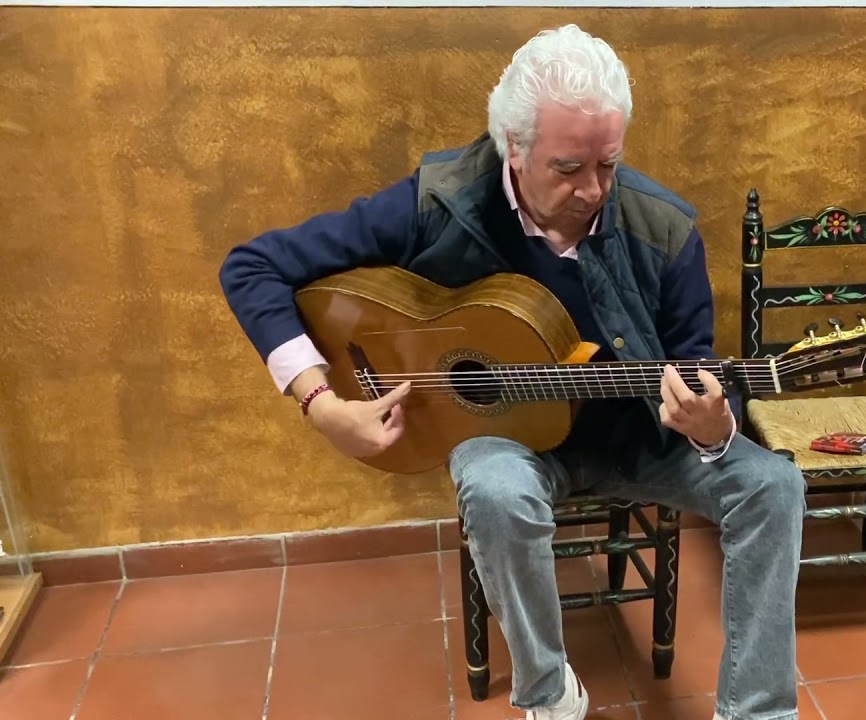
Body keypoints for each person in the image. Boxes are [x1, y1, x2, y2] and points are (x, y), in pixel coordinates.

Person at [219, 24, 806, 720]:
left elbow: (697, 366)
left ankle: (760, 713)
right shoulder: (439, 202)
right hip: (510, 441)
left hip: (641, 436)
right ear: (514, 148)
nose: (593, 190)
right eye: (568, 168)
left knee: (773, 485)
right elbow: (251, 266)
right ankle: (549, 695)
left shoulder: (664, 228)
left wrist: (713, 427)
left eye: (609, 165)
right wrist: (321, 403)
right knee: (494, 489)